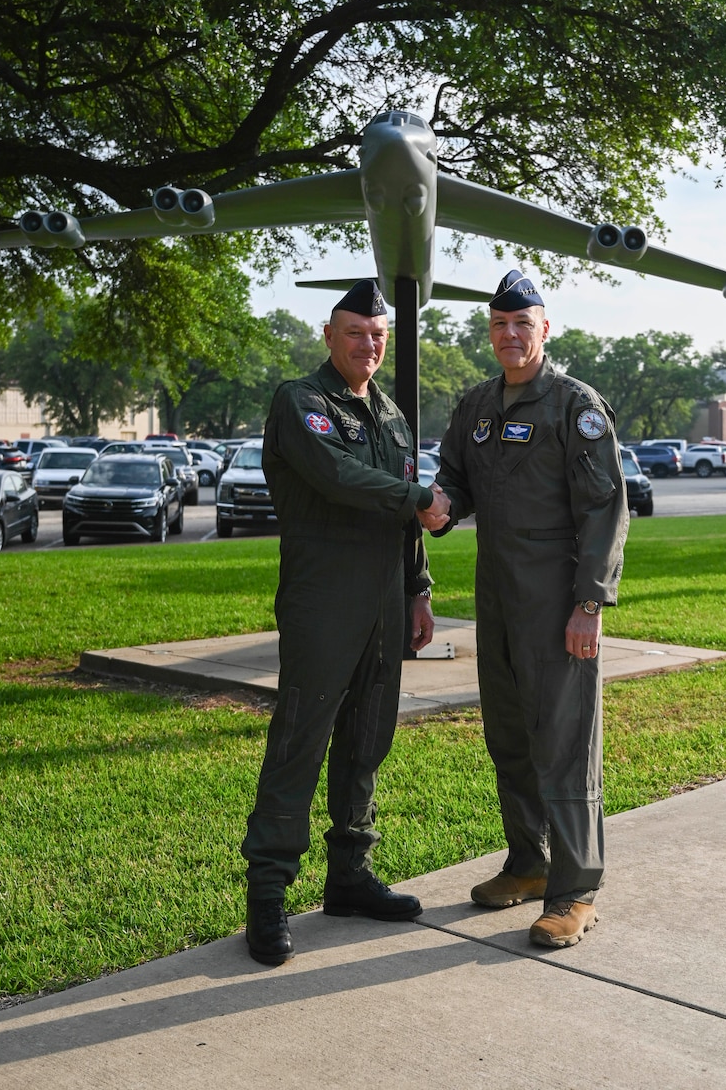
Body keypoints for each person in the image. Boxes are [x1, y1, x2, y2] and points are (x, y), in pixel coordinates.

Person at [241, 279, 451, 965]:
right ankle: (268, 897)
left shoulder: (388, 411)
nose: (368, 344)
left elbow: (403, 521)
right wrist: (417, 495)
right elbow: (334, 476)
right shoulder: (302, 401)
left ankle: (349, 877)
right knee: (301, 739)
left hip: (385, 603)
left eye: (377, 335)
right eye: (355, 332)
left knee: (367, 738)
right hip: (323, 598)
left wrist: (418, 590)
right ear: (328, 336)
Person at [429, 270, 628, 948]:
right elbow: (455, 476)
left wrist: (589, 603)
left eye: (522, 324)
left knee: (565, 744)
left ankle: (575, 893)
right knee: (509, 737)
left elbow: (603, 509)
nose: (509, 335)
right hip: (498, 598)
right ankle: (527, 863)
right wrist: (439, 502)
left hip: (558, 600)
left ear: (545, 329)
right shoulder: (478, 406)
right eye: (498, 325)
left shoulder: (574, 407)